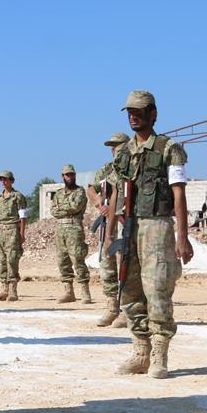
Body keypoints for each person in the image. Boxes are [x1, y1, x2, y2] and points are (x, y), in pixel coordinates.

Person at [113, 90, 192, 379]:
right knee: (130, 287)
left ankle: (160, 352)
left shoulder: (170, 148)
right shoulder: (123, 153)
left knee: (158, 288)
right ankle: (141, 350)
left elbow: (179, 193)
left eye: (139, 111)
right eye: (130, 111)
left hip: (158, 226)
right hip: (130, 225)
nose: (133, 115)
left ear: (153, 113)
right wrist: (111, 231)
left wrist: (182, 237)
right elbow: (115, 194)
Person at [87, 133, 130, 327]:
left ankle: (128, 309)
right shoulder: (107, 169)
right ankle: (112, 306)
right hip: (109, 222)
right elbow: (91, 188)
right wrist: (99, 203)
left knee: (126, 264)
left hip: (126, 220)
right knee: (107, 264)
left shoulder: (132, 166)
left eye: (117, 145)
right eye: (112, 146)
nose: (114, 149)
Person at [51, 164, 91, 304]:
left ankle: (85, 292)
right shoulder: (58, 194)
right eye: (67, 175)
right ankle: (68, 292)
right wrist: (65, 209)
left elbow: (76, 206)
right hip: (60, 229)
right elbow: (53, 211)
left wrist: (62, 208)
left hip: (74, 228)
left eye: (72, 174)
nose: (70, 177)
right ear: (63, 177)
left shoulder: (80, 191)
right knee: (63, 261)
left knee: (78, 259)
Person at [0, 171, 27, 301]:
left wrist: (22, 233)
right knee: (1, 261)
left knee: (12, 260)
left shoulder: (18, 196)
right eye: (1, 179)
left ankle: (13, 291)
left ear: (12, 181)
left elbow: (23, 217)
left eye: (6, 179)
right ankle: (4, 289)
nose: (3, 182)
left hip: (13, 230)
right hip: (1, 231)